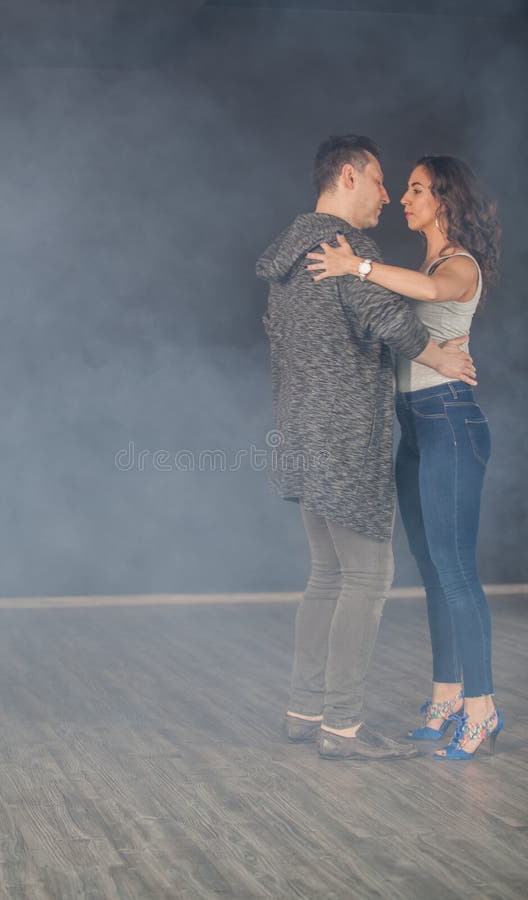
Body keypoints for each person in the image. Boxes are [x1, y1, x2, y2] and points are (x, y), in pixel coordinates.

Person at [256, 136, 477, 761]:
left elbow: (280, 335)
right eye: (381, 181)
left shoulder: (291, 251)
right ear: (349, 176)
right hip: (346, 433)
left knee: (327, 575)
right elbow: (388, 319)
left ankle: (305, 710)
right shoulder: (343, 247)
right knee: (368, 575)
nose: (388, 195)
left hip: (299, 428)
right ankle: (344, 727)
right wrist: (440, 358)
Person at [306, 154, 502, 760]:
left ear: (445, 198)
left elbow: (435, 293)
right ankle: (446, 696)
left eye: (417, 189)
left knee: (456, 570)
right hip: (415, 427)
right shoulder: (423, 263)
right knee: (433, 570)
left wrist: (357, 266)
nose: (404, 198)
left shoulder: (459, 264)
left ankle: (482, 708)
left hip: (450, 423)